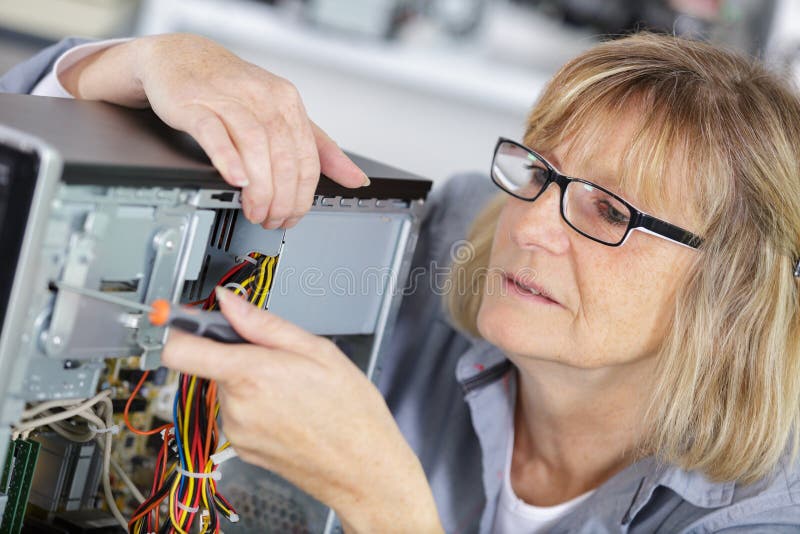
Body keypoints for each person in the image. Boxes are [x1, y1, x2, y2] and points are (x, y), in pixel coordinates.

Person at [3, 31, 800, 533]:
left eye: (609, 210)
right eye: (542, 171)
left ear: (735, 291)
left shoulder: (764, 513)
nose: (531, 227)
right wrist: (131, 63)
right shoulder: (456, 236)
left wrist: (383, 502)